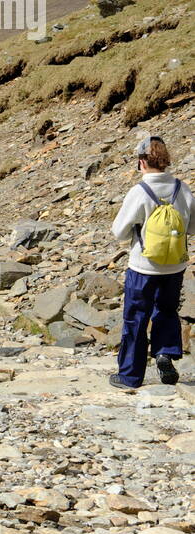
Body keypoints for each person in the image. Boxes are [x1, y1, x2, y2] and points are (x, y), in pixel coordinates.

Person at [109, 135, 192, 389]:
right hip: (175, 266)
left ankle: (130, 376)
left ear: (142, 162)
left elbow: (119, 231)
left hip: (143, 267)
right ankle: (165, 353)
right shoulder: (182, 188)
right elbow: (193, 226)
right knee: (167, 311)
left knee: (136, 317)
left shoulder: (140, 191)